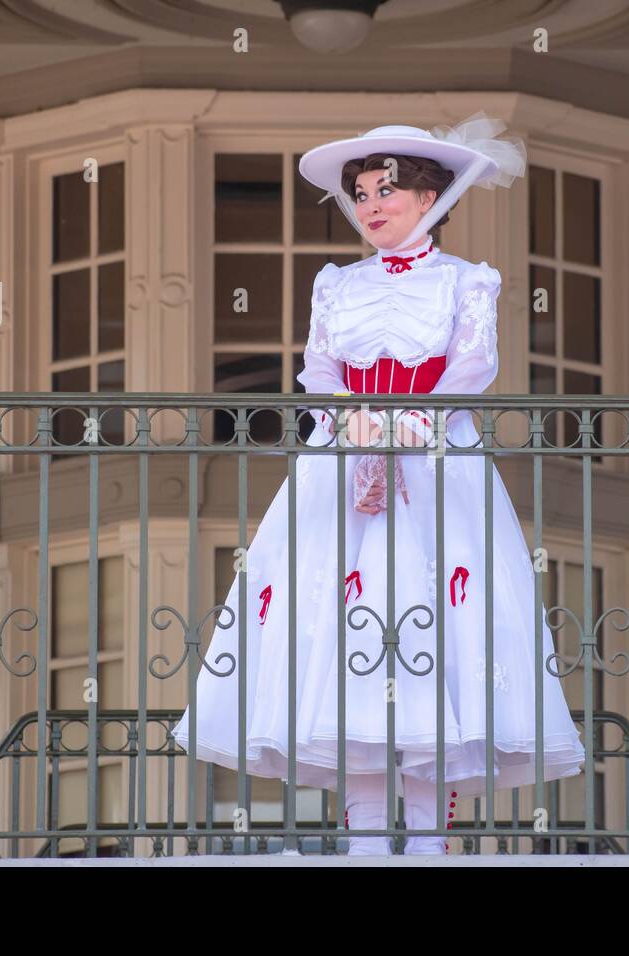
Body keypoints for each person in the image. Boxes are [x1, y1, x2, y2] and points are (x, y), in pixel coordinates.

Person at [171, 112, 585, 856]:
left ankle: (428, 844)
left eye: (384, 191)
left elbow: (473, 366)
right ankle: (363, 842)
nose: (368, 206)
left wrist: (412, 422)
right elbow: (319, 368)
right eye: (358, 194)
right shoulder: (337, 285)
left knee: (438, 638)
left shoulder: (467, 281)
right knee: (341, 646)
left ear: (428, 200)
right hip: (341, 466)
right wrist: (354, 419)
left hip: (437, 468)